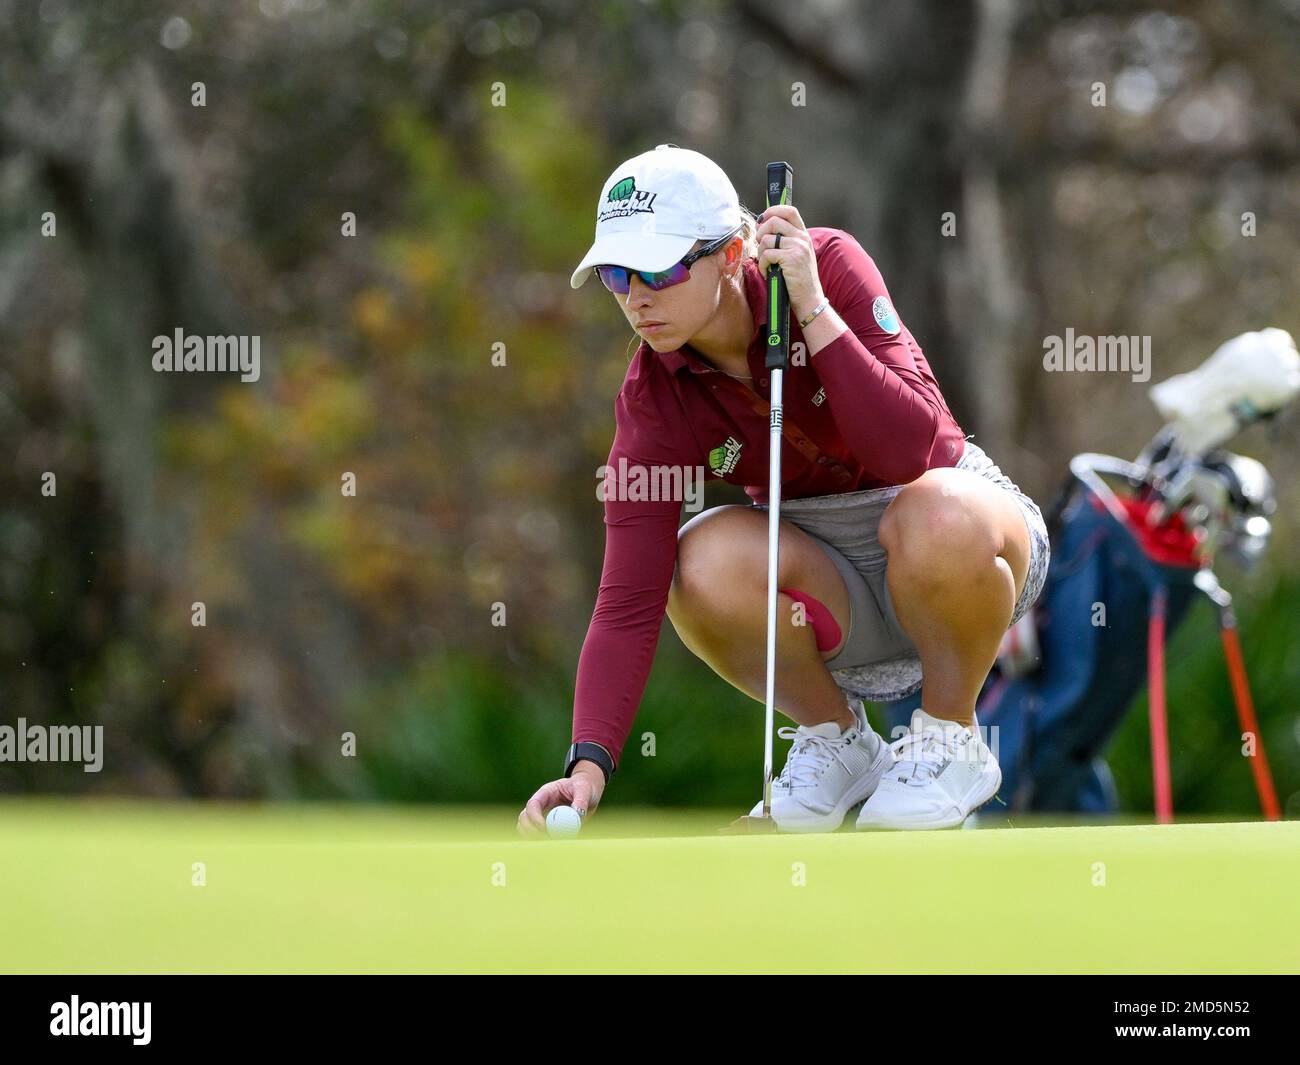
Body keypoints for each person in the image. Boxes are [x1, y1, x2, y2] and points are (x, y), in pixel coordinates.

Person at [517, 144, 1050, 834]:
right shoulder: (654, 395)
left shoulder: (828, 263)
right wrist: (588, 764)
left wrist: (814, 309)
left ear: (736, 249)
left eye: (658, 267)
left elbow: (917, 448)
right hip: (832, 590)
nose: (637, 296)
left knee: (934, 513)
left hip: (964, 548)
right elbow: (628, 596)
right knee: (697, 560)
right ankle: (837, 741)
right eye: (615, 275)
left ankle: (950, 738)